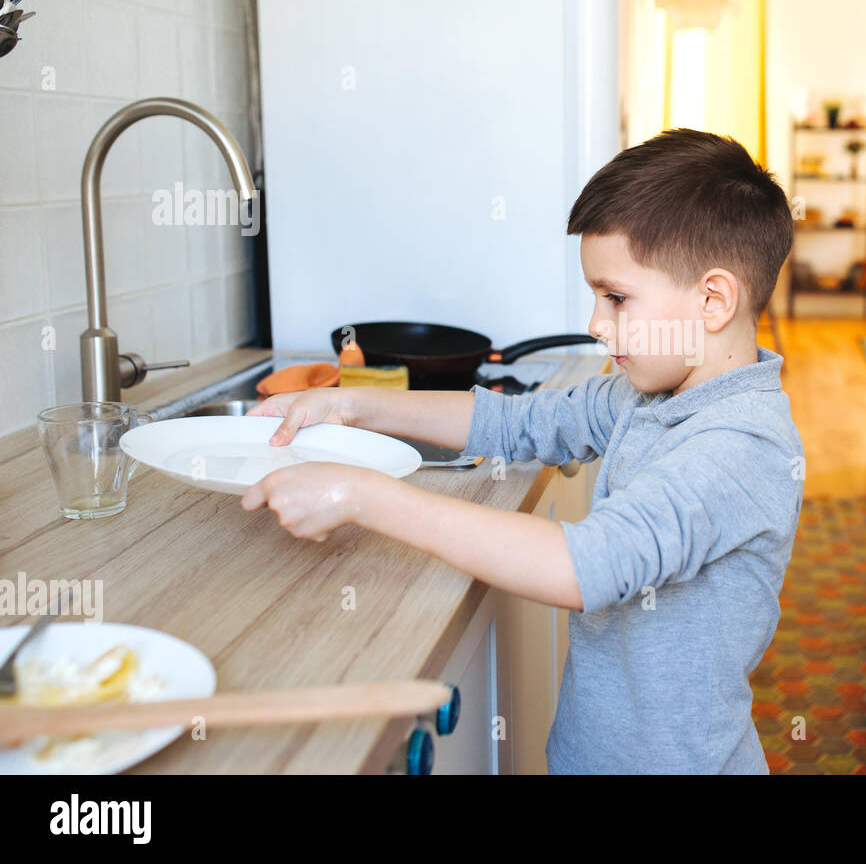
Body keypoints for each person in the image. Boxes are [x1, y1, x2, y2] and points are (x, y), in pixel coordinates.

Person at [243, 128, 804, 773]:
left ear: (712, 300)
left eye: (616, 297)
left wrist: (360, 494)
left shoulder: (740, 446)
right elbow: (517, 421)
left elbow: (583, 566)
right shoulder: (648, 396)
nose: (596, 322)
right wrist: (355, 406)